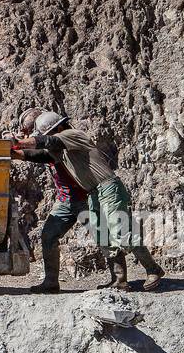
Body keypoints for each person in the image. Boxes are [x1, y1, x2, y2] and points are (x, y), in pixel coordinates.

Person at [12, 108, 164, 294]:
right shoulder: (61, 150)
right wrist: (14, 150)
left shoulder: (71, 135)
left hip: (107, 186)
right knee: (103, 237)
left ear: (57, 129)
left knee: (122, 231)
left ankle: (153, 269)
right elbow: (40, 154)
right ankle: (119, 281)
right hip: (93, 192)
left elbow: (47, 142)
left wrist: (18, 142)